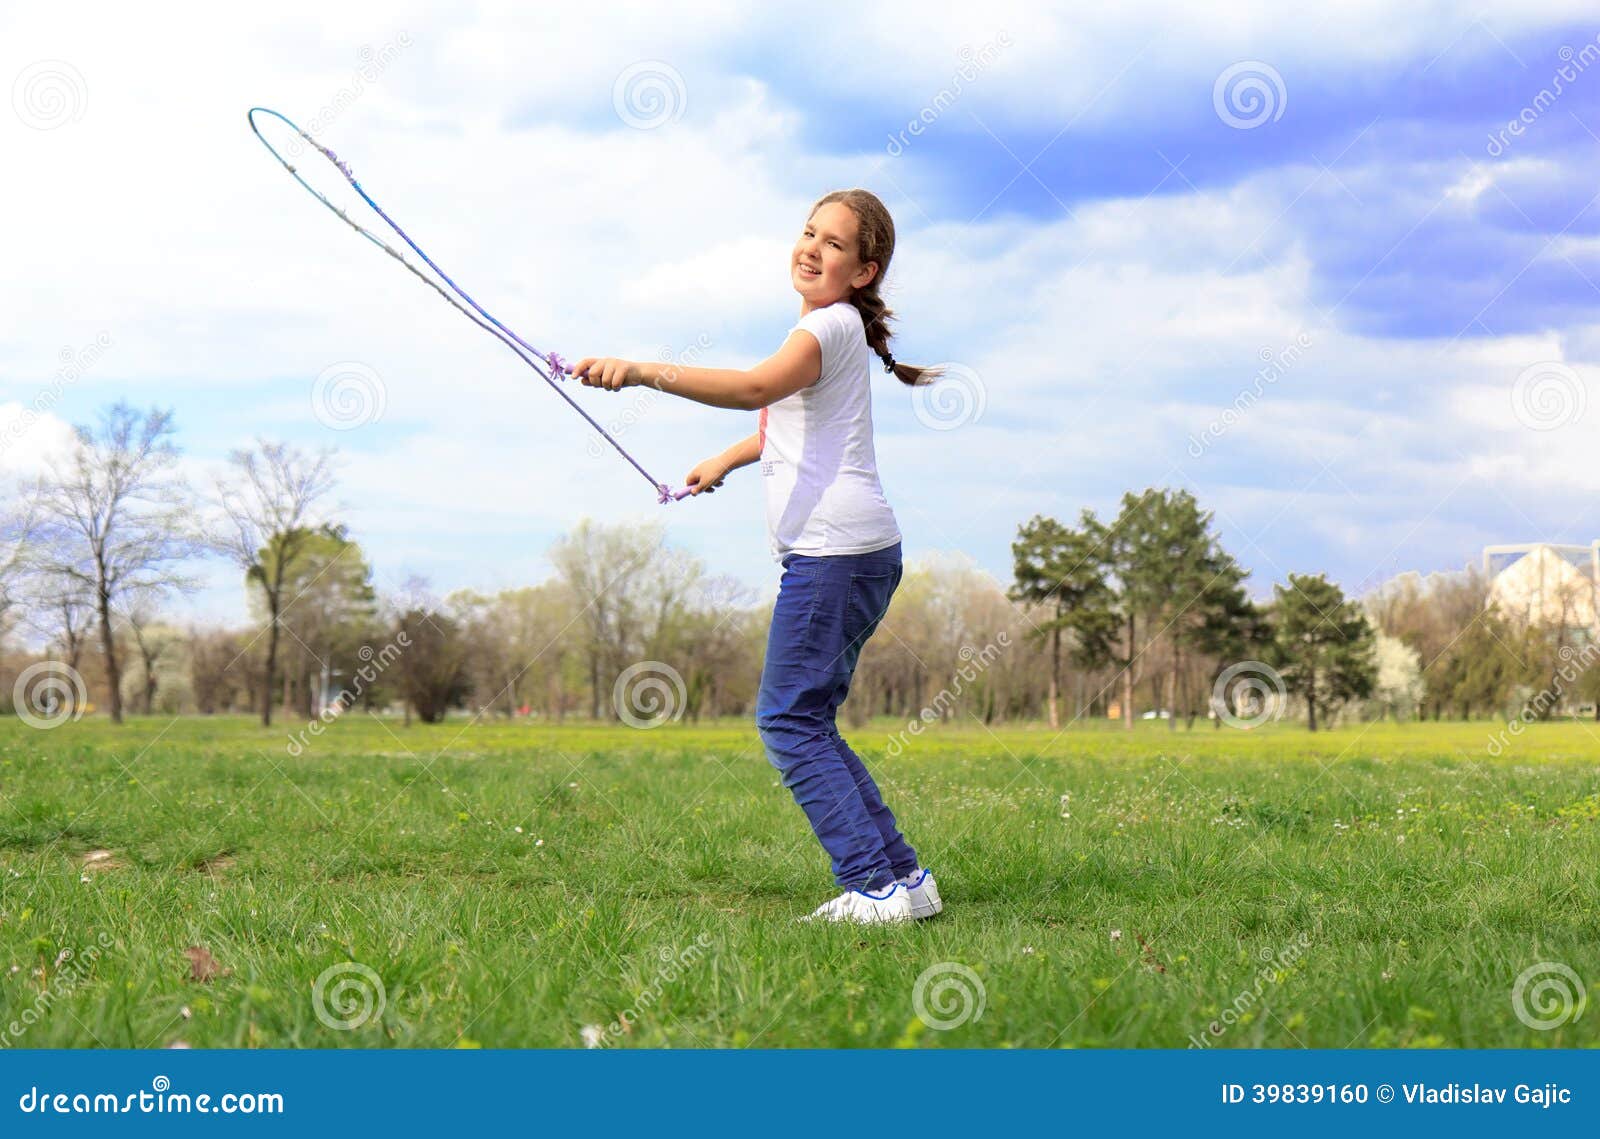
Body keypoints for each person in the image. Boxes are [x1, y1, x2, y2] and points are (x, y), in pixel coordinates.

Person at [570, 188, 943, 925]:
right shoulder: (830, 329)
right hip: (861, 550)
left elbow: (752, 389)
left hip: (833, 554)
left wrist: (642, 371)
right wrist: (728, 461)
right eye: (808, 232)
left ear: (863, 272)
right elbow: (788, 418)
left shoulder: (825, 328)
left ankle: (873, 888)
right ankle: (906, 879)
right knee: (811, 717)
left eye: (834, 243)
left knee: (787, 721)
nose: (811, 247)